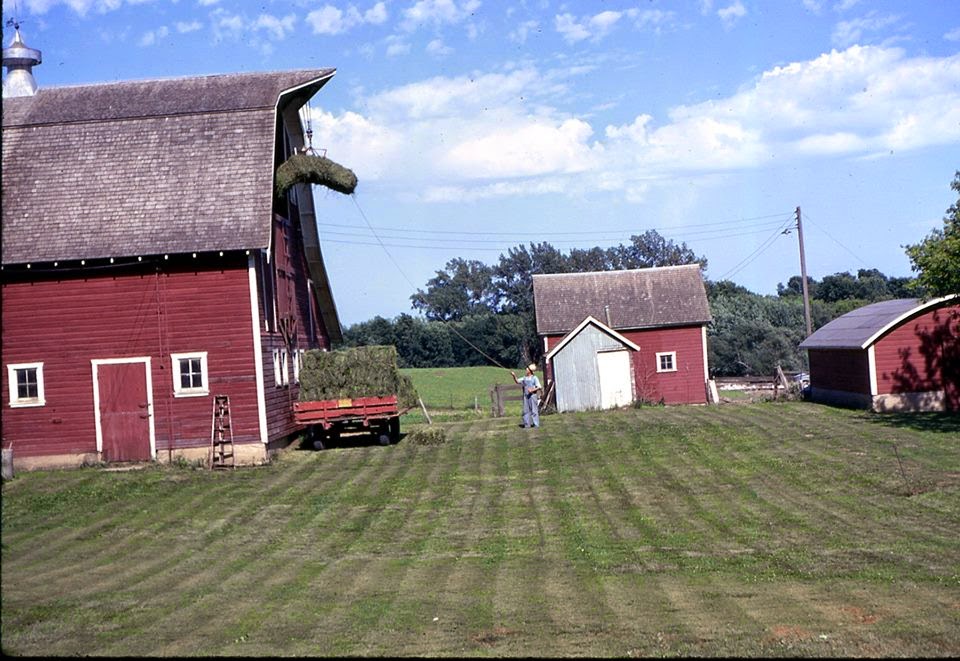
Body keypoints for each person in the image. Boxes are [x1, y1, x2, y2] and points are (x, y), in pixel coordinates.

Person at [510, 363, 542, 428]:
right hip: (526, 396)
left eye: (527, 369)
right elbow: (517, 381)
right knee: (526, 410)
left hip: (532, 396)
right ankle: (527, 425)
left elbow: (539, 387)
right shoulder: (524, 378)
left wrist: (532, 390)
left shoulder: (534, 378)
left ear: (530, 371)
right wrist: (514, 375)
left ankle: (536, 424)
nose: (526, 370)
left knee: (534, 410)